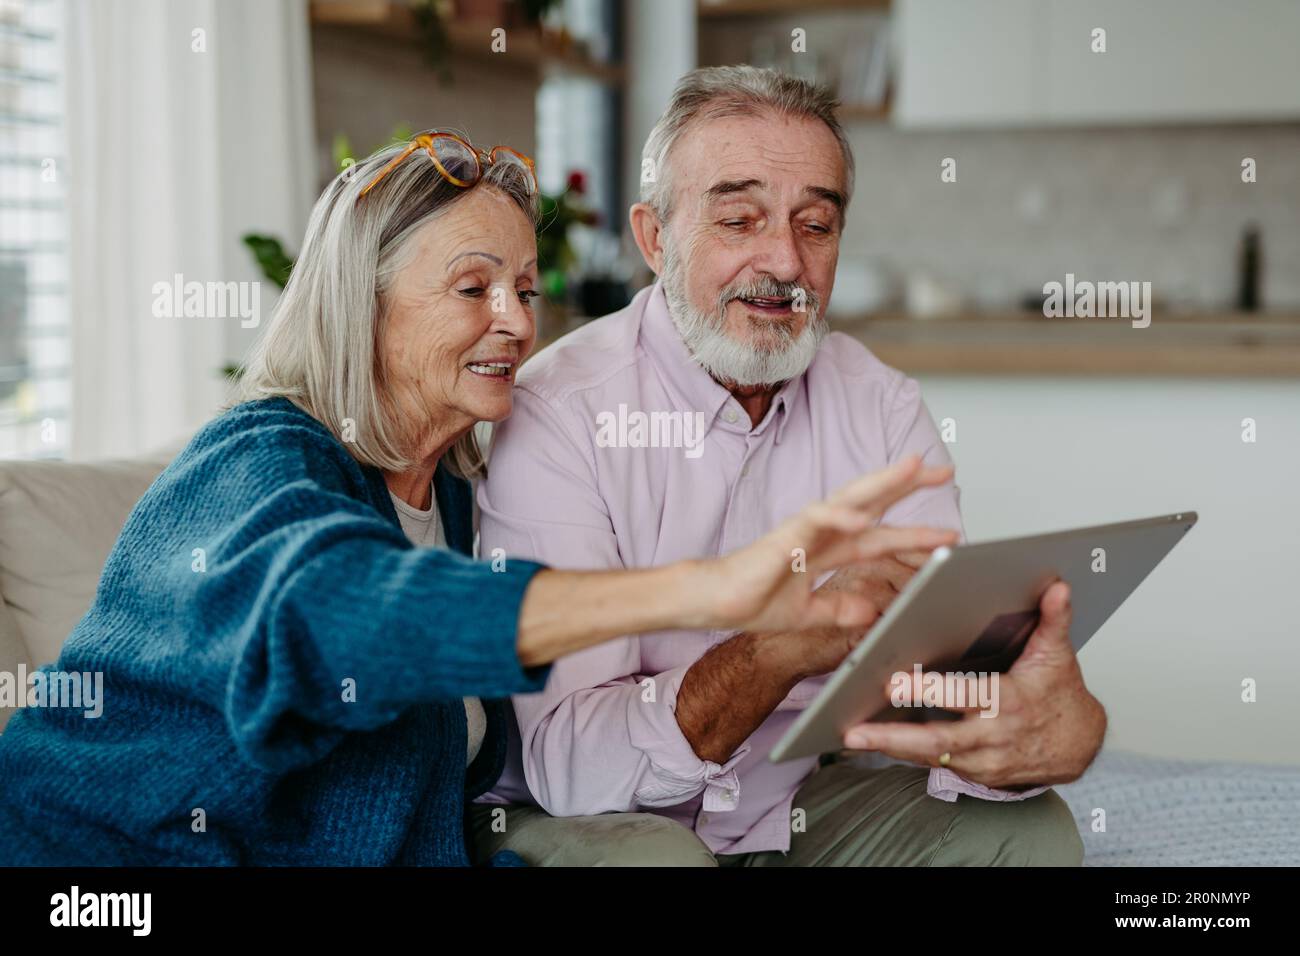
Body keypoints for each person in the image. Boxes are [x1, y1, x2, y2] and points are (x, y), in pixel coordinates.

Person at [0, 130, 958, 866]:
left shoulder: (455, 500)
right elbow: (352, 614)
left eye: (525, 288)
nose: (515, 322)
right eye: (472, 287)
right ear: (362, 303)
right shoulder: (254, 462)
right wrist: (710, 590)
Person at [473, 68, 1103, 866]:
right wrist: (774, 649)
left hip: (791, 802)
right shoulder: (558, 413)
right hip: (594, 817)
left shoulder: (881, 405)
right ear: (655, 237)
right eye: (739, 220)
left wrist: (1050, 724)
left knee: (1033, 835)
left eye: (817, 225)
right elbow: (567, 765)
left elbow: (935, 688)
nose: (786, 261)